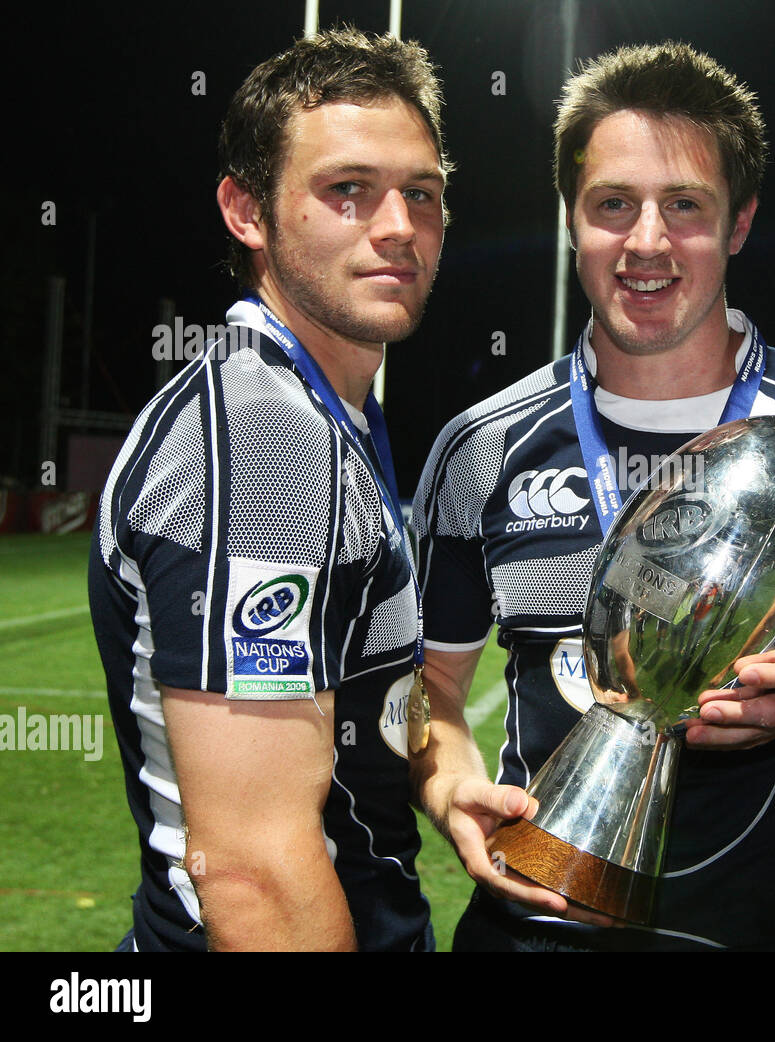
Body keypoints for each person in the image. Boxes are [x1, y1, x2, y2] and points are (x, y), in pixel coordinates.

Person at [411, 41, 775, 951]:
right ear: (574, 217)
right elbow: (428, 688)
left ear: (739, 224)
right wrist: (447, 781)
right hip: (532, 928)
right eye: (614, 204)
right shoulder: (480, 447)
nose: (646, 242)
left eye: (685, 206)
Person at [88, 28, 450, 951]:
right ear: (246, 212)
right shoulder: (264, 433)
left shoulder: (316, 410)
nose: (399, 225)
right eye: (347, 191)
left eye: (422, 192)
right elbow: (256, 876)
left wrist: (441, 782)